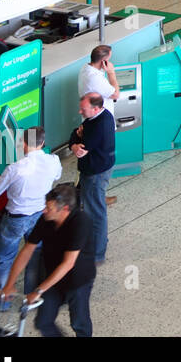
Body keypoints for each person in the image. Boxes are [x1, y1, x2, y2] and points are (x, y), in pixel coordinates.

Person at [0, 184, 97, 338]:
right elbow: (26, 252)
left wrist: (38, 290)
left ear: (64, 209)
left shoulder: (81, 222)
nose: (44, 210)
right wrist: (9, 285)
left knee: (79, 322)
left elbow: (68, 263)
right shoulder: (45, 220)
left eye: (49, 208)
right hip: (52, 278)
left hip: (78, 280)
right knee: (43, 322)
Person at [0, 126, 60, 309]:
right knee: (34, 254)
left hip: (16, 218)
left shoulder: (15, 169)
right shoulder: (53, 161)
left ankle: (3, 302)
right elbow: (57, 176)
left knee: (5, 257)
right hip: (41, 215)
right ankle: (29, 298)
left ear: (23, 144)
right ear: (42, 143)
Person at [68, 93, 115, 265]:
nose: (80, 112)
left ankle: (97, 254)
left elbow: (82, 148)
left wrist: (76, 141)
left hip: (95, 174)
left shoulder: (99, 124)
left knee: (96, 212)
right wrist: (75, 140)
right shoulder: (96, 117)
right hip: (95, 169)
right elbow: (75, 135)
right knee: (91, 208)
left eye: (83, 109)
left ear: (95, 108)